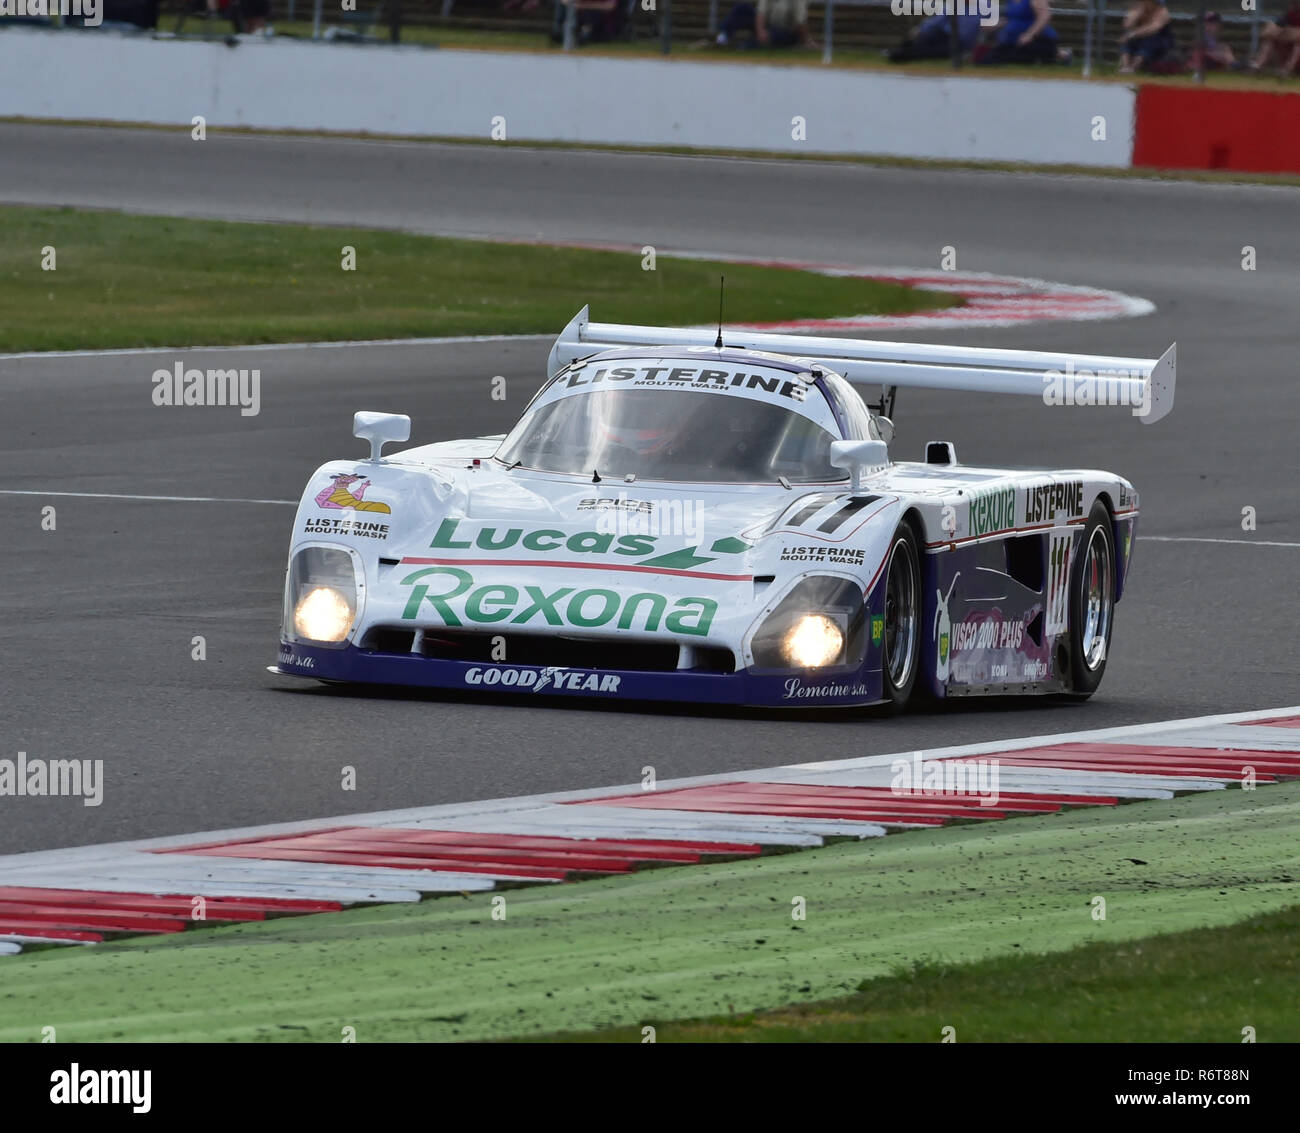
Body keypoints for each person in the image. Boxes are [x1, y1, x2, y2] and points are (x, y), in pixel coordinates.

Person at [976, 0, 1070, 64]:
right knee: (988, 60)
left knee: (1018, 57)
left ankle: (1060, 55)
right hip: (1014, 41)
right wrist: (997, 24)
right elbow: (1013, 18)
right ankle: (1057, 55)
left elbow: (1045, 16)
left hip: (1038, 39)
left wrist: (1030, 35)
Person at [887, 13, 982, 62]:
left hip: (959, 41)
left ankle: (902, 54)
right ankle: (904, 50)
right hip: (943, 33)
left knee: (933, 51)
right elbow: (937, 20)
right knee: (926, 37)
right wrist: (920, 29)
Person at [715, 0, 812, 49]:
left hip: (786, 31)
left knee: (776, 35)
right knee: (742, 8)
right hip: (767, 26)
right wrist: (761, 31)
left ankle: (746, 47)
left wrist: (807, 41)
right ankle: (724, 36)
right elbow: (760, 12)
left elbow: (800, 23)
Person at [1118, 0, 1175, 73]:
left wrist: (1133, 34)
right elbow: (1127, 25)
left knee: (1150, 39)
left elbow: (1153, 28)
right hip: (1141, 37)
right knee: (1127, 36)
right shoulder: (1138, 8)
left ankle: (1133, 67)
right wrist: (1136, 15)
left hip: (1161, 41)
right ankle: (1125, 66)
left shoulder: (1163, 12)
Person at [1250, 1, 1300, 73]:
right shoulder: (1290, 14)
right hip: (1287, 50)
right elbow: (1267, 32)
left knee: (1298, 45)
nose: (1295, 5)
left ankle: (1287, 69)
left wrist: (1287, 33)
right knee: (1270, 41)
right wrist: (1286, 33)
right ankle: (1257, 66)